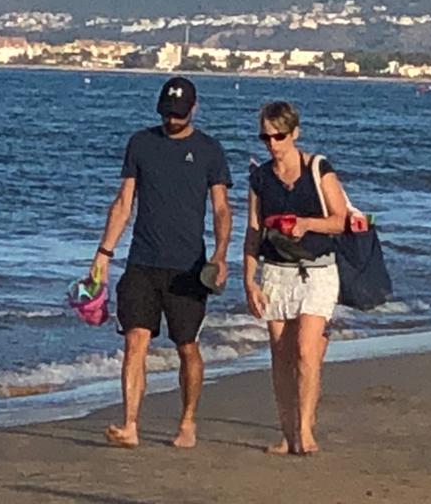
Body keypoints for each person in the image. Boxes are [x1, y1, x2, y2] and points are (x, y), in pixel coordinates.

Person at [88, 76, 233, 450]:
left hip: (188, 267)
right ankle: (130, 424)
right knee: (135, 341)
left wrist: (220, 254)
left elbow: (220, 208)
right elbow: (124, 202)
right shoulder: (141, 143)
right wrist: (103, 253)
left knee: (187, 346)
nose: (173, 120)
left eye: (180, 114)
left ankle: (187, 422)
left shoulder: (210, 150)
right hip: (142, 262)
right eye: (168, 114)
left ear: (194, 109)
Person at [244, 101, 350, 457]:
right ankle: (287, 432)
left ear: (294, 133)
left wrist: (306, 224)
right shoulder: (260, 178)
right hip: (275, 271)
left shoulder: (318, 168)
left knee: (306, 351)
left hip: (318, 270)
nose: (272, 144)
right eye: (266, 137)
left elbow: (340, 220)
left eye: (279, 136)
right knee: (281, 356)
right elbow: (253, 230)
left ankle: (305, 430)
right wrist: (249, 279)